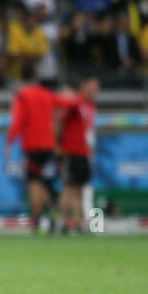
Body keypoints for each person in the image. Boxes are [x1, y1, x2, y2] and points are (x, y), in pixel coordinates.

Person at [6, 63, 59, 231]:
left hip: (32, 147)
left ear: (20, 78)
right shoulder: (46, 94)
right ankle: (52, 213)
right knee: (45, 182)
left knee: (33, 183)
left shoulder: (21, 96)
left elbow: (18, 121)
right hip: (49, 146)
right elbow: (63, 105)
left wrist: (9, 142)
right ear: (36, 77)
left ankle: (37, 223)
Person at [57, 77, 97, 233]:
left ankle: (77, 221)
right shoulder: (74, 103)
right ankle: (61, 221)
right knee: (69, 187)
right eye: (92, 88)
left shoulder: (89, 105)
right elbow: (59, 119)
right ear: (83, 87)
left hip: (84, 152)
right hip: (72, 151)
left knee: (79, 188)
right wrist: (58, 145)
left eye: (96, 88)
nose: (95, 91)